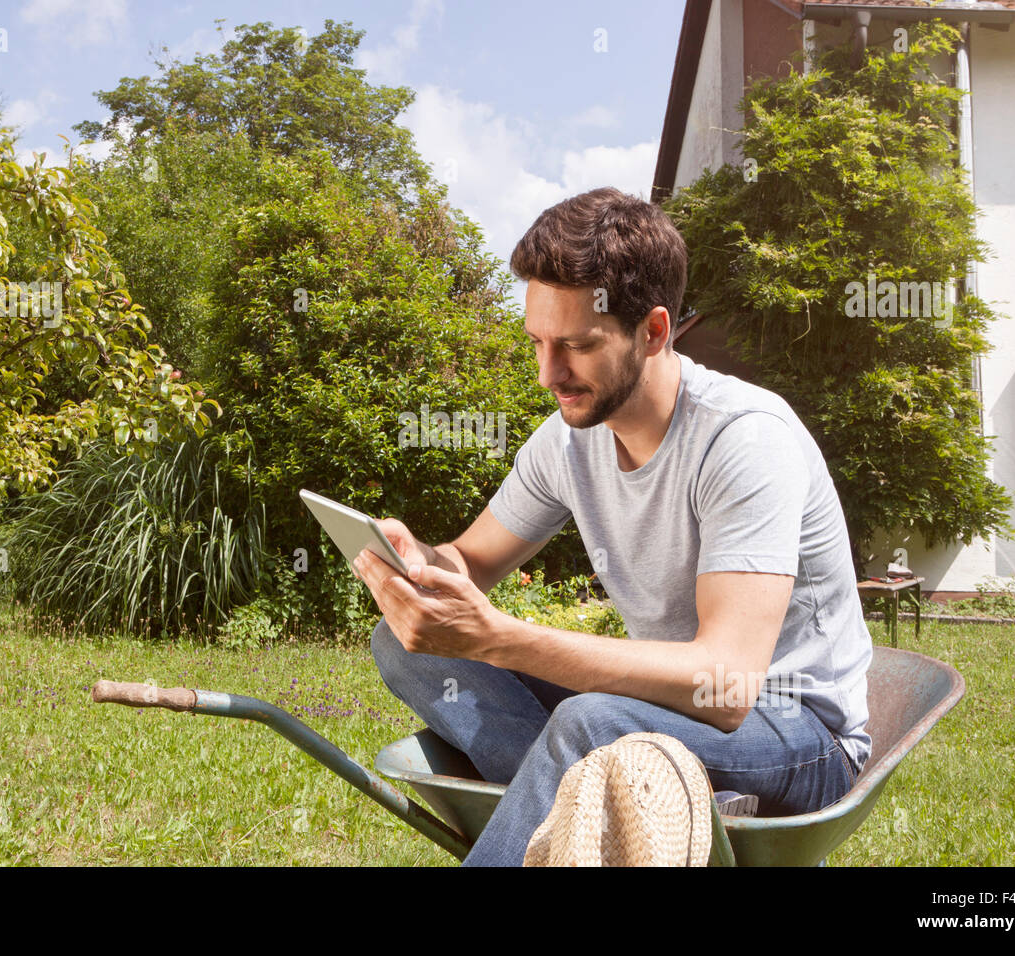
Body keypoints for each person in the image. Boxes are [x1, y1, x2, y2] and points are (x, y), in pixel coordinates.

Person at [351, 187, 872, 867]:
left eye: (576, 345)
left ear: (654, 332)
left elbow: (729, 684)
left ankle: (604, 794)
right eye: (538, 342)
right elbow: (470, 562)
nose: (547, 373)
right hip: (665, 708)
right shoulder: (567, 441)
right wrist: (413, 561)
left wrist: (503, 638)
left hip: (794, 730)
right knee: (404, 645)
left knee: (593, 724)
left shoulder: (744, 440)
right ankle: (633, 804)